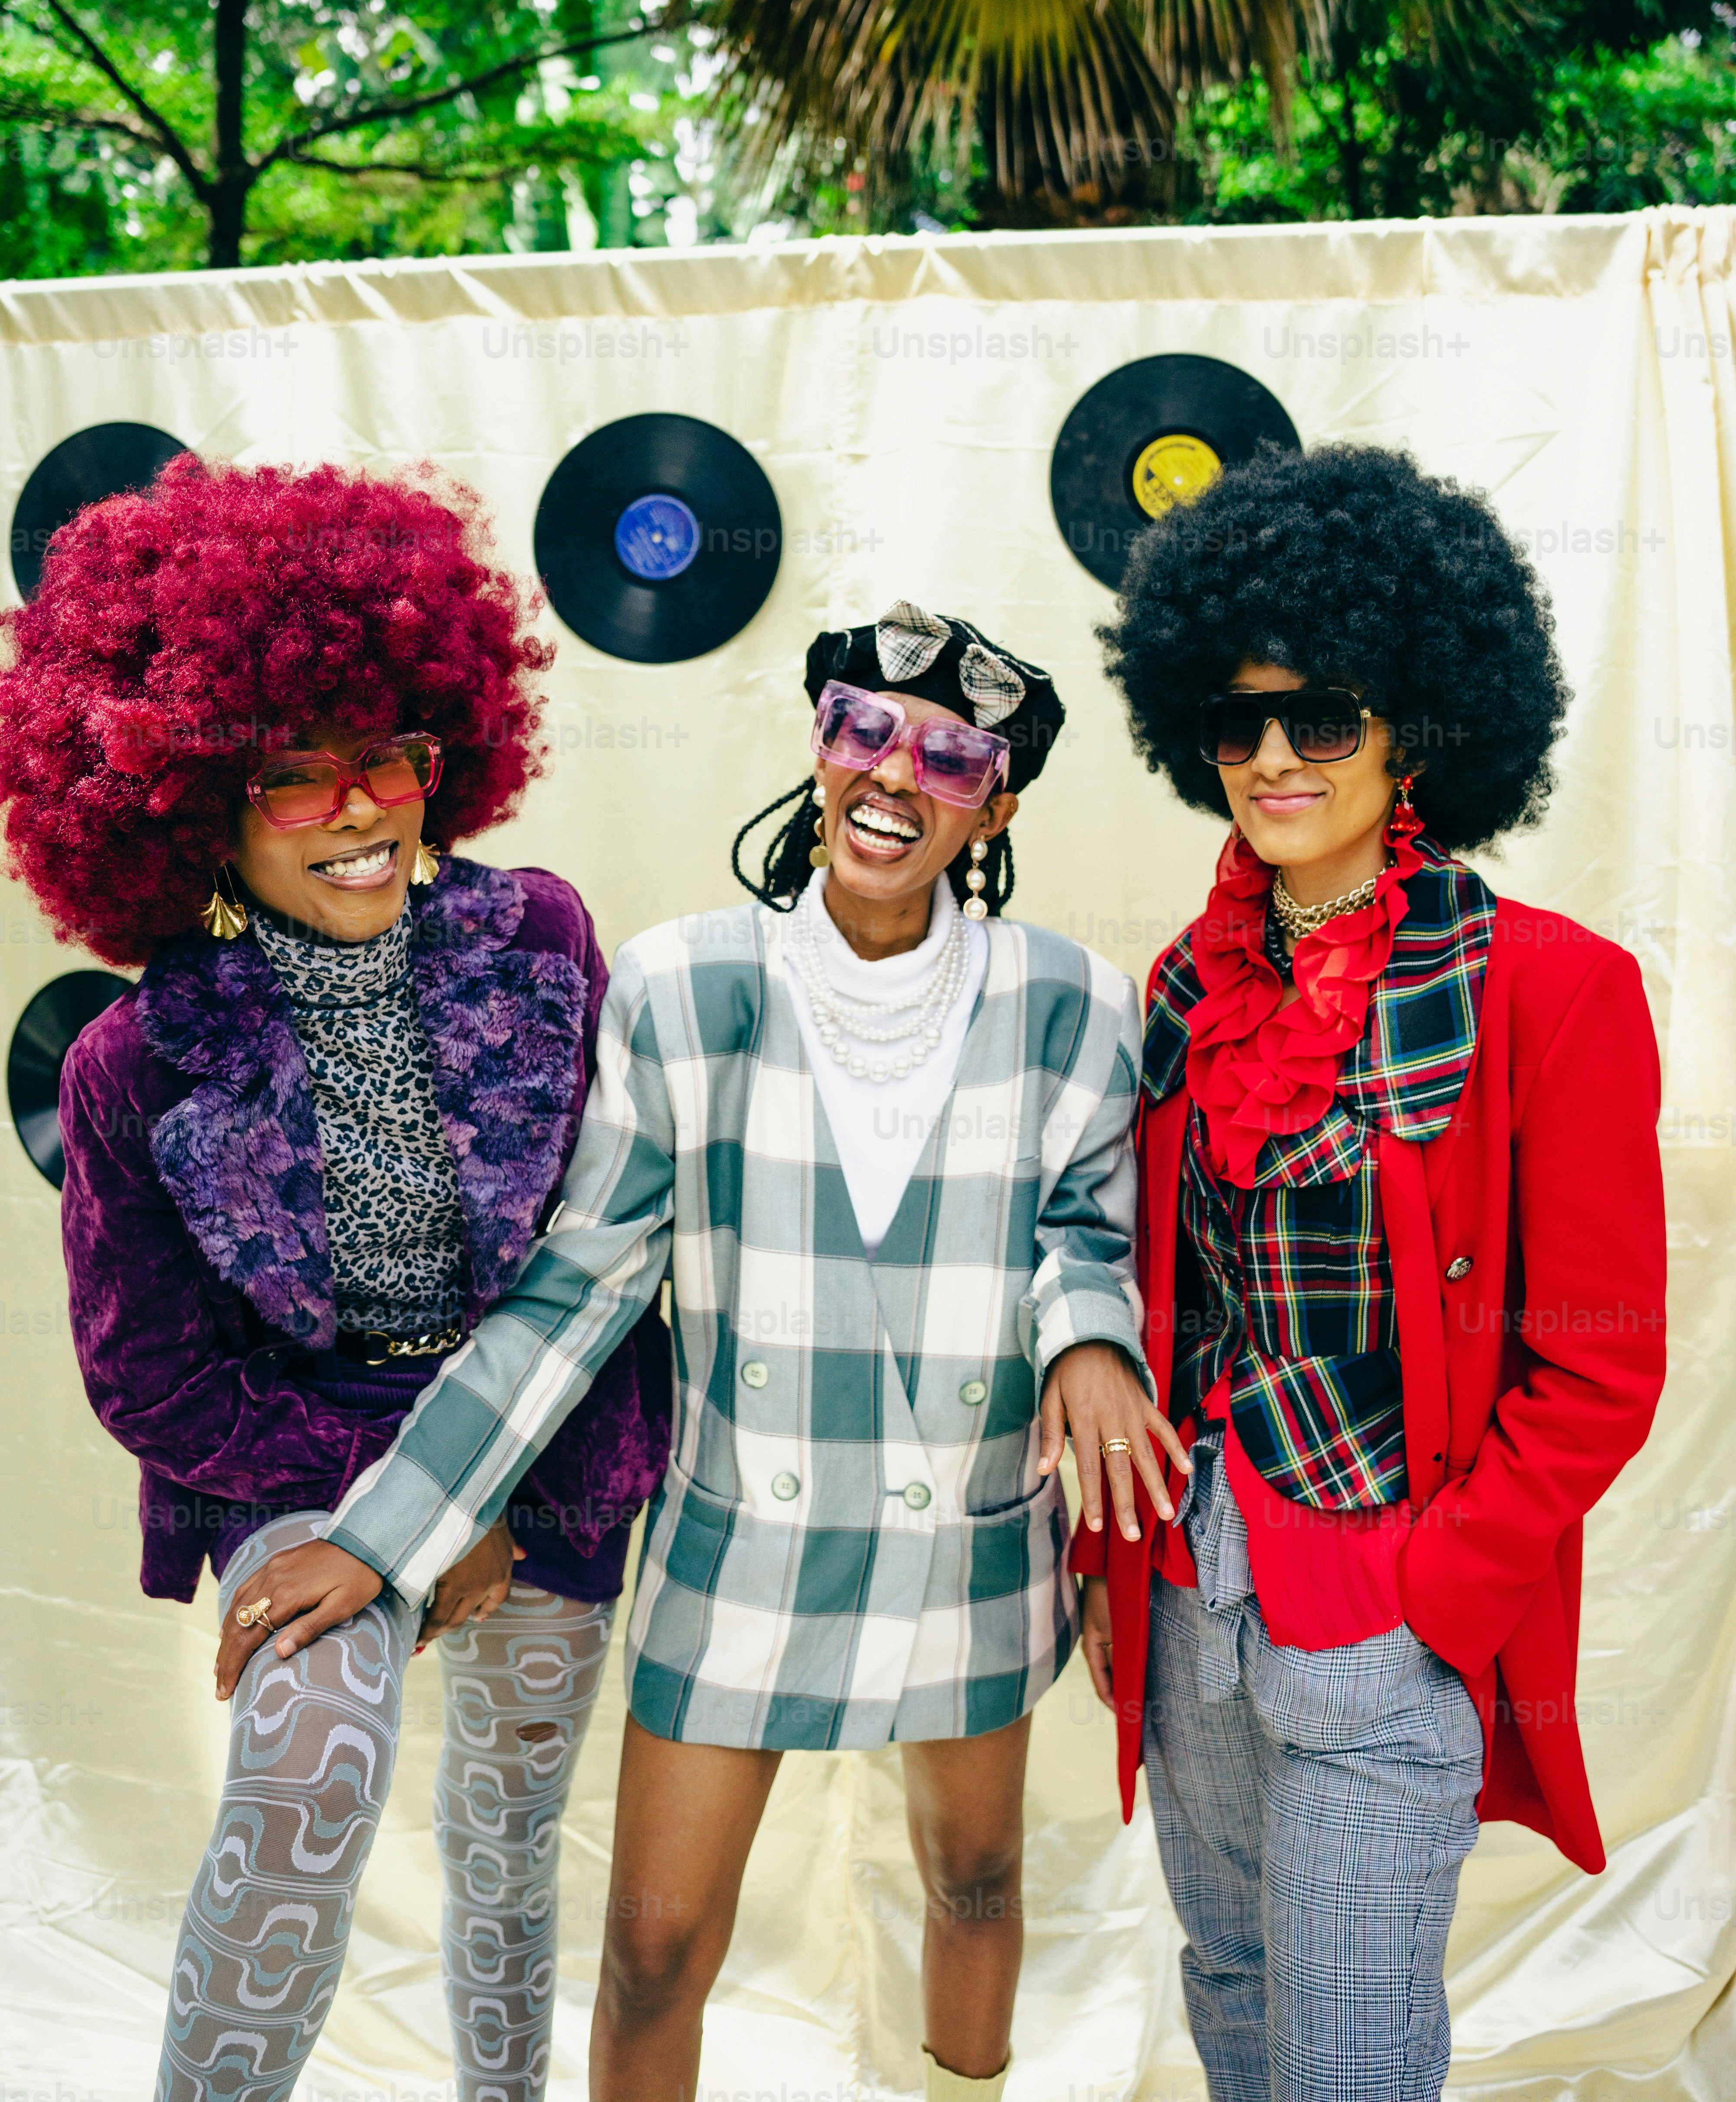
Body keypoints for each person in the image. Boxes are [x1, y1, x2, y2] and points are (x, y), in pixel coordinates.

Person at [214, 599, 1186, 2102]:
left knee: (979, 1882)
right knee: (655, 1951)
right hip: (742, 1549)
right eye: (864, 729)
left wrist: (1093, 1344)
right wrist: (385, 1536)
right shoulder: (682, 984)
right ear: (820, 746)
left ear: (994, 804)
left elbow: (1085, 1236)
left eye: (950, 755)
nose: (896, 772)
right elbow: (577, 1292)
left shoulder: (1073, 1001)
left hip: (970, 1539)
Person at [0, 455, 669, 2102]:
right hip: (294, 1455)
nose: (362, 811)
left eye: (387, 758)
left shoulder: (543, 941)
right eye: (295, 779)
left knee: (510, 1837)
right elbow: (152, 1378)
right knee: (305, 1780)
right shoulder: (131, 1064)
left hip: (543, 1444)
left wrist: (474, 1487)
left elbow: (608, 1250)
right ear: (195, 808)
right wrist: (400, 1517)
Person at [1072, 443, 1668, 2102]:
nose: (1276, 758)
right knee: (1233, 1991)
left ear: (1417, 727)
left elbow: (1603, 1364)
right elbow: (1148, 1291)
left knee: (1351, 2052)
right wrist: (1115, 1565)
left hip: (1385, 1615)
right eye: (1239, 722)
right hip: (1187, 1596)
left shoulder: (1550, 988)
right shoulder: (1183, 987)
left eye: (1323, 717)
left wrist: (1440, 1590)